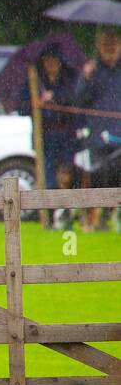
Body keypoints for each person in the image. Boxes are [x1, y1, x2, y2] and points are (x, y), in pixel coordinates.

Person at [75, 26, 121, 231]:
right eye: (106, 45)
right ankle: (100, 217)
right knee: (100, 178)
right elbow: (80, 100)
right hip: (99, 136)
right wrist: (85, 78)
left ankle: (115, 214)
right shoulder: (93, 72)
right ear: (99, 47)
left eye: (114, 44)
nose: (110, 49)